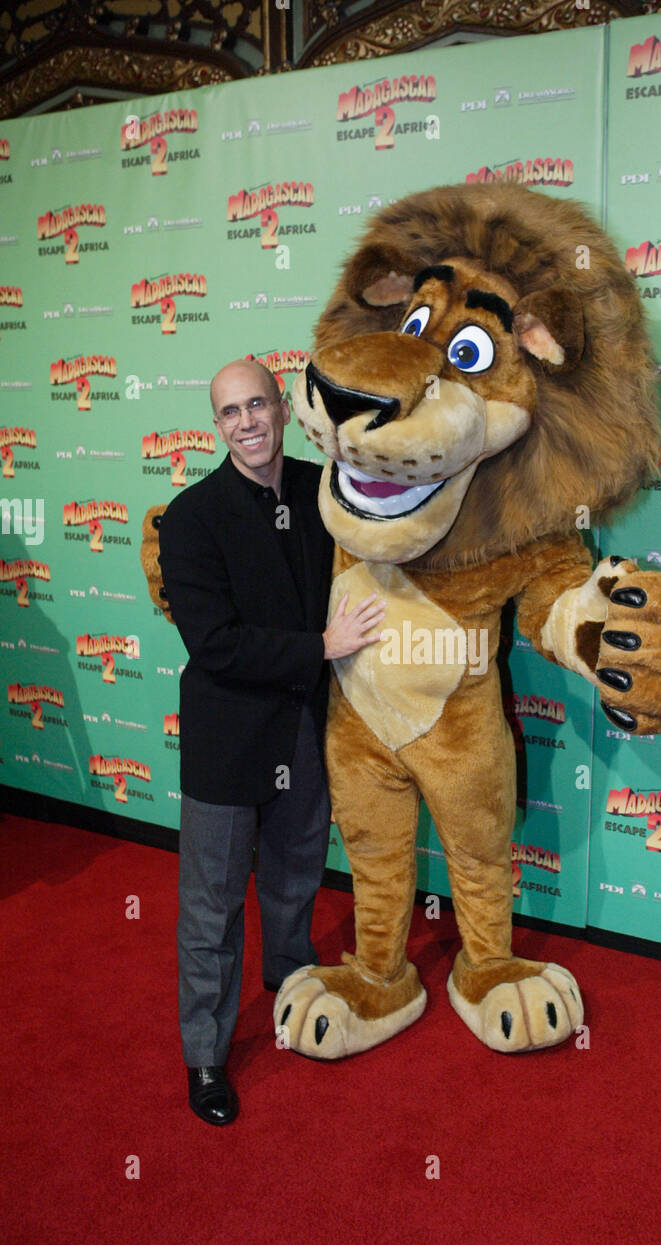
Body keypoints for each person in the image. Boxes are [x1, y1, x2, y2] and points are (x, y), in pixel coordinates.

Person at [157, 358, 385, 1125]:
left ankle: (290, 983)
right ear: (216, 426)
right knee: (211, 909)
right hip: (227, 744)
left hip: (304, 732)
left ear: (282, 407)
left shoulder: (324, 494)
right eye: (230, 412)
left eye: (258, 404)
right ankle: (206, 1058)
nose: (247, 422)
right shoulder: (190, 518)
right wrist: (319, 647)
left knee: (293, 879)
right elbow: (215, 644)